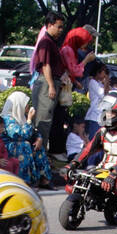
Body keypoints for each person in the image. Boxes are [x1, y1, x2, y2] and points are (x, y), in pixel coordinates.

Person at [65, 89, 117, 203]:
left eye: (111, 112)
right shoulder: (103, 131)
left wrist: (114, 174)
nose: (107, 115)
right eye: (107, 112)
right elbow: (88, 149)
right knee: (74, 184)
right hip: (103, 168)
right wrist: (73, 164)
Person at [0, 90, 52, 189]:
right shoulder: (7, 118)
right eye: (26, 104)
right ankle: (26, 179)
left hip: (21, 143)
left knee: (37, 147)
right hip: (9, 146)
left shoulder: (21, 116)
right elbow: (20, 135)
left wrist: (39, 138)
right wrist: (28, 120)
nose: (28, 107)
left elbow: (33, 131)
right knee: (25, 145)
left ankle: (43, 179)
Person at [31, 12, 67, 147]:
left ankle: (42, 154)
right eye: (59, 27)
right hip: (46, 84)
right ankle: (39, 155)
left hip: (52, 82)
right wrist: (51, 85)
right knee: (42, 121)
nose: (61, 30)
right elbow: (45, 65)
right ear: (50, 25)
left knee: (48, 120)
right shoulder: (46, 42)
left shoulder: (52, 42)